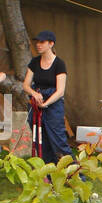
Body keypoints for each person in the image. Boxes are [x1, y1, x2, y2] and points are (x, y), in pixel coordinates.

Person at [22, 31, 70, 164]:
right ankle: (48, 174)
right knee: (40, 142)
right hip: (36, 106)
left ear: (51, 44)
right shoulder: (34, 62)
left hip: (53, 106)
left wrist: (46, 103)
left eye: (42, 42)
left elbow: (60, 91)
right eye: (37, 42)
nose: (38, 45)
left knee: (59, 141)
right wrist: (34, 93)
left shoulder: (59, 64)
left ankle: (74, 175)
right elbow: (25, 85)